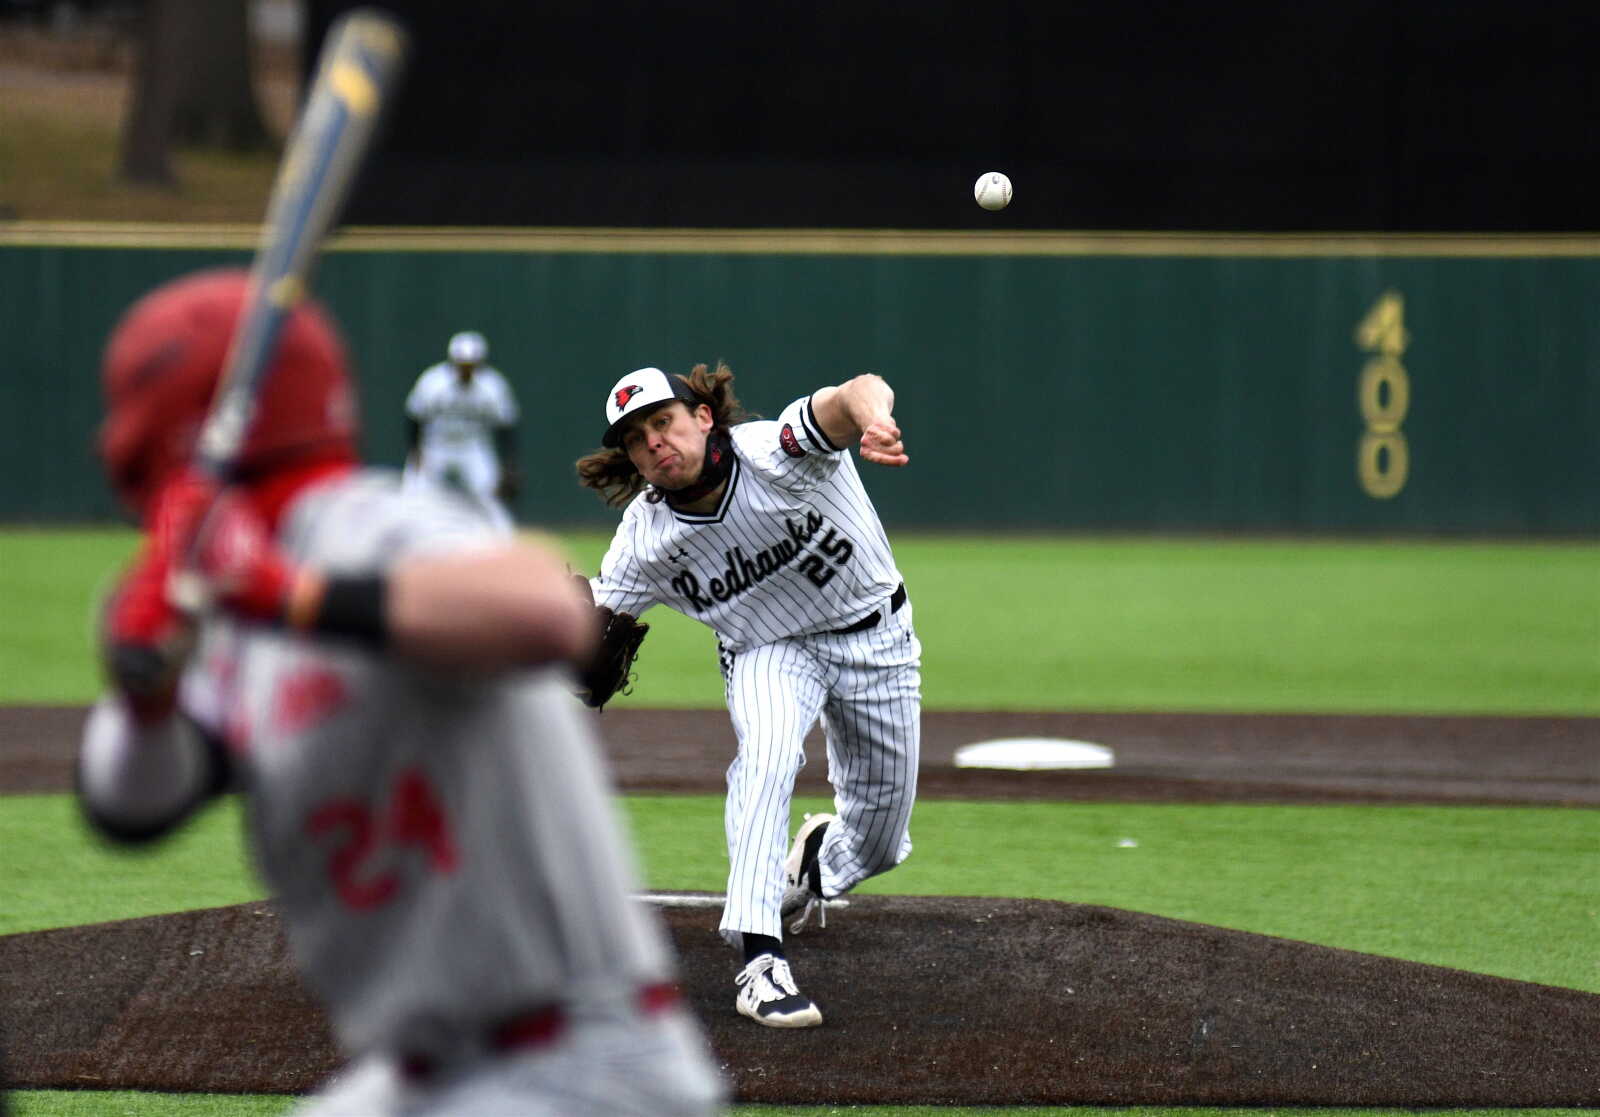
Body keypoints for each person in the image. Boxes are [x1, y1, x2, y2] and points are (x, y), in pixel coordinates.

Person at [78, 269, 725, 1116]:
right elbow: (128, 807)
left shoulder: (369, 525)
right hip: (418, 1072)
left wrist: (285, 593)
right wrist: (144, 691)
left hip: (578, 1060)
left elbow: (547, 612)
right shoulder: (224, 615)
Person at [574, 362, 921, 1030]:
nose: (653, 442)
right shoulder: (644, 540)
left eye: (662, 421)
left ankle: (816, 861)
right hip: (768, 651)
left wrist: (874, 416)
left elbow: (852, 393)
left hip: (876, 637)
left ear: (703, 418)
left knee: (878, 843)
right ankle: (761, 961)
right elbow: (590, 617)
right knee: (765, 759)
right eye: (636, 438)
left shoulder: (777, 452)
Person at [403, 330, 521, 531]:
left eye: (470, 365)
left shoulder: (492, 386)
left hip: (472, 446)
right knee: (414, 493)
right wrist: (416, 451)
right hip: (436, 445)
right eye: (462, 365)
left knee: (490, 497)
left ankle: (503, 540)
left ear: (479, 363)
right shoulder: (433, 382)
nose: (466, 370)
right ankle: (409, 538)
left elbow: (506, 426)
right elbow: (415, 416)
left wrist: (508, 464)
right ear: (453, 362)